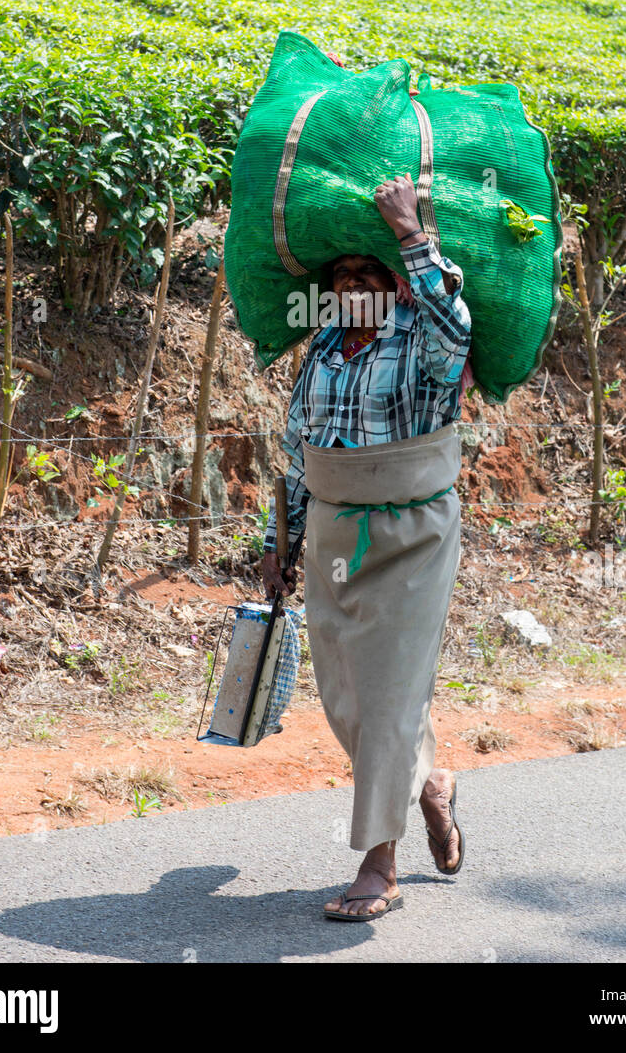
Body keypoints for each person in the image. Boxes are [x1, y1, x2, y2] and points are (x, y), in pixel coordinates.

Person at [262, 169, 473, 921]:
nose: (351, 284)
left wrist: (411, 235)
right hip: (329, 533)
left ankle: (377, 862)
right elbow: (296, 451)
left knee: (387, 693)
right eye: (341, 274)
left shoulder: (421, 343)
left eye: (366, 272)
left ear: (395, 283)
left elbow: (457, 327)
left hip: (411, 534)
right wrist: (276, 540)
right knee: (350, 696)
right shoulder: (320, 351)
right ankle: (429, 785)